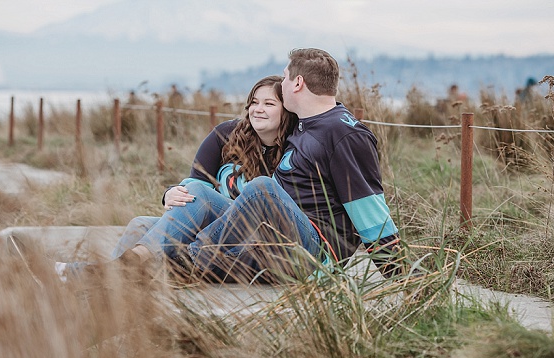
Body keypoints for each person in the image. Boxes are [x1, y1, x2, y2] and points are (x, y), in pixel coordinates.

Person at [181, 48, 405, 280]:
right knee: (149, 227)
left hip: (313, 255)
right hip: (274, 240)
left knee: (262, 190)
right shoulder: (303, 125)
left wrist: (405, 279)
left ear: (297, 83)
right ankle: (166, 258)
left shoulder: (343, 133)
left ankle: (192, 258)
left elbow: (371, 213)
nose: (282, 84)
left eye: (285, 77)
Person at [56, 75, 297, 283]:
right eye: (254, 102)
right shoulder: (226, 134)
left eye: (269, 103)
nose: (258, 109)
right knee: (140, 223)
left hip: (255, 237)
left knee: (195, 196)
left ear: (286, 109)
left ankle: (110, 273)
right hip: (212, 230)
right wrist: (171, 192)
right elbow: (196, 183)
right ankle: (114, 290)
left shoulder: (297, 146)